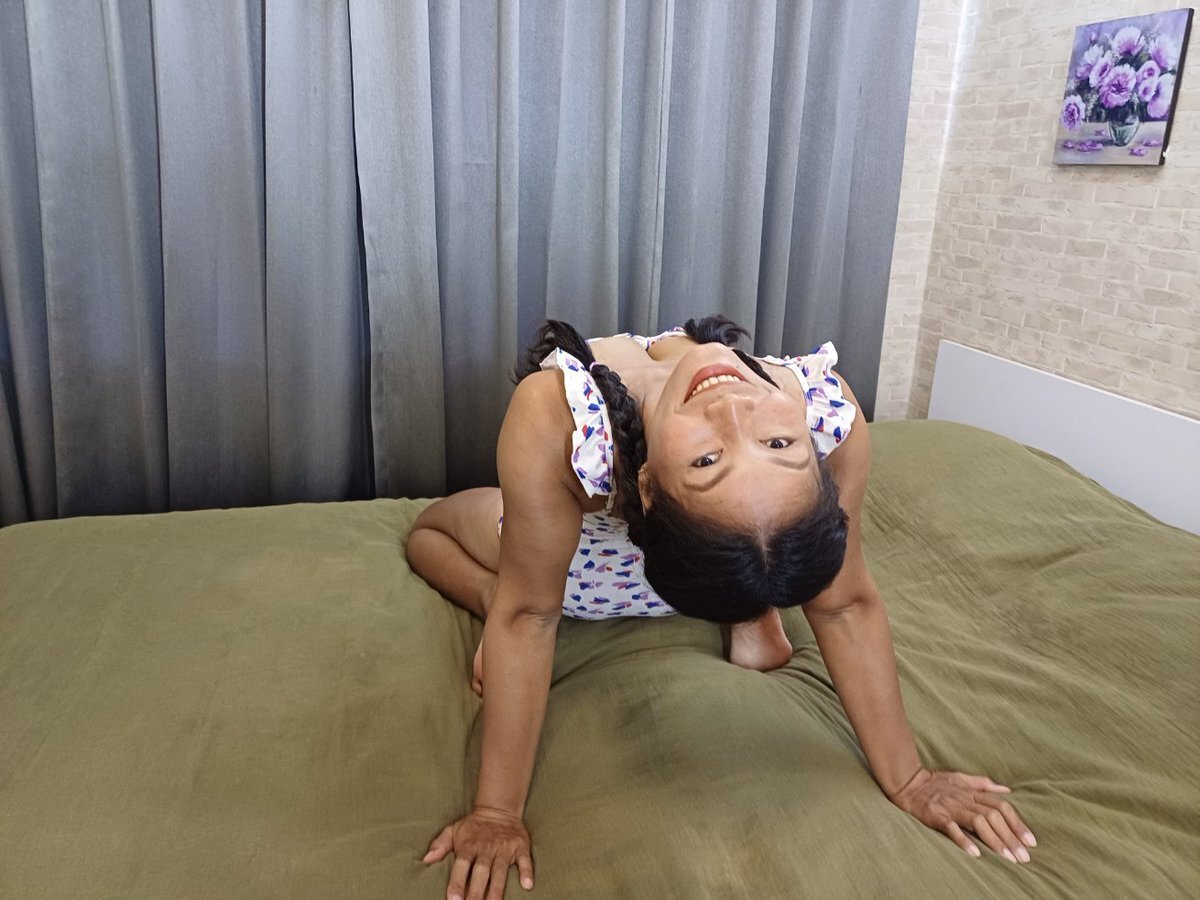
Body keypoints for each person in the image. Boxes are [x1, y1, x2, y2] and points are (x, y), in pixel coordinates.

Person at [408, 317, 1037, 900]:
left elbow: (530, 616)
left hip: (583, 580)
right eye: (778, 443)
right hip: (692, 577)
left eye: (707, 462)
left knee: (427, 535)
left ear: (647, 486)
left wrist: (496, 813)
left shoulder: (559, 417)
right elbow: (842, 604)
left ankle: (509, 591)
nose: (733, 408)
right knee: (755, 535)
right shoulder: (823, 407)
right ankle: (747, 606)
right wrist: (909, 780)